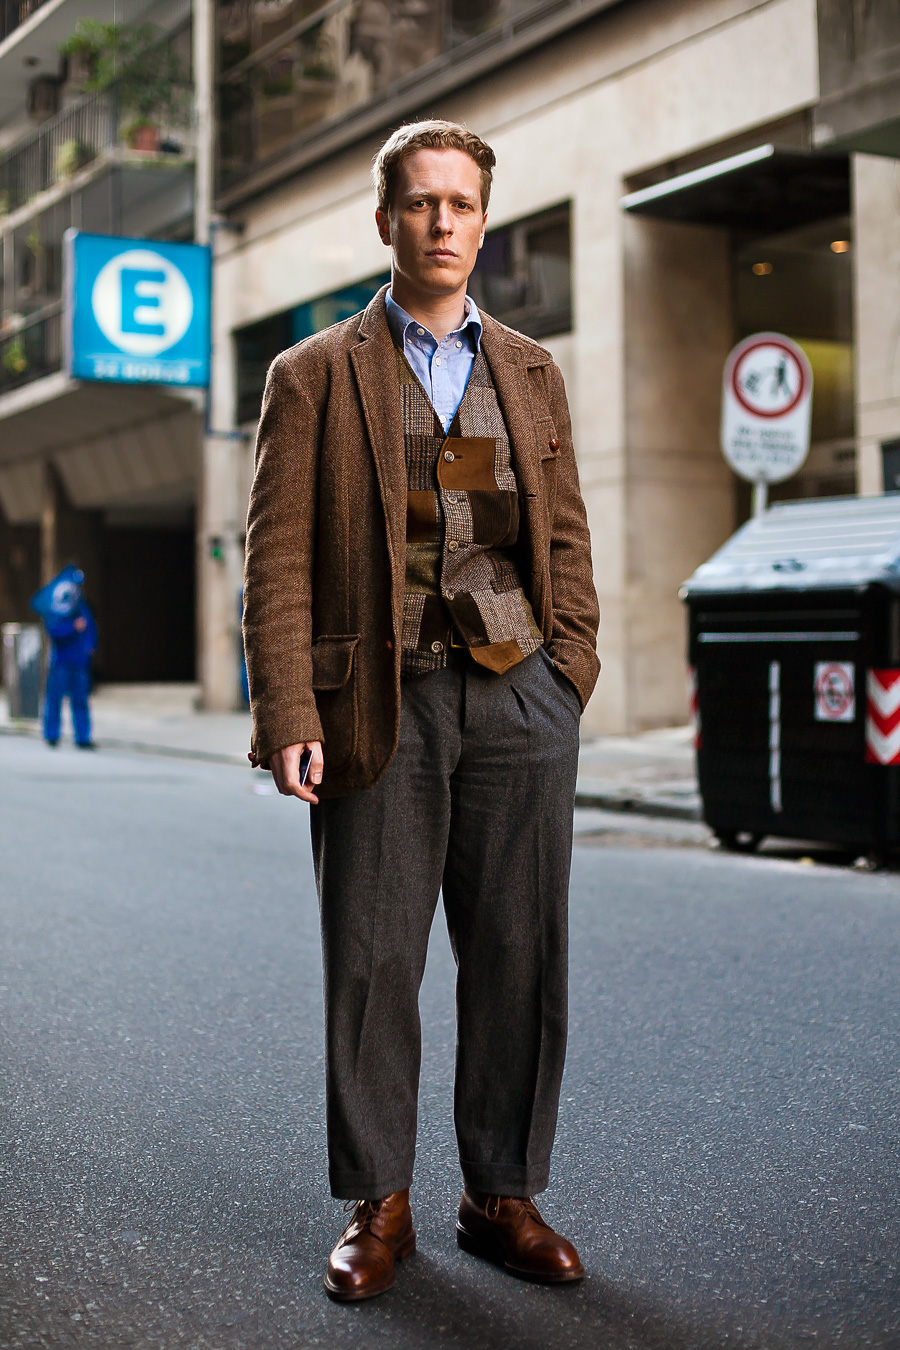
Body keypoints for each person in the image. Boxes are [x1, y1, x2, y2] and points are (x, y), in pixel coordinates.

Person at [242, 119, 600, 1302]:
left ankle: (499, 1194)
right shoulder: (312, 373)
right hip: (376, 706)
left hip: (517, 699)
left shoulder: (534, 370)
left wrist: (569, 672)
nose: (441, 223)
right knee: (373, 961)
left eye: (461, 205)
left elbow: (562, 535)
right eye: (420, 203)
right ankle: (378, 1198)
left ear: (483, 225)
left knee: (519, 957)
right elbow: (277, 559)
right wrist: (288, 705)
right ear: (385, 218)